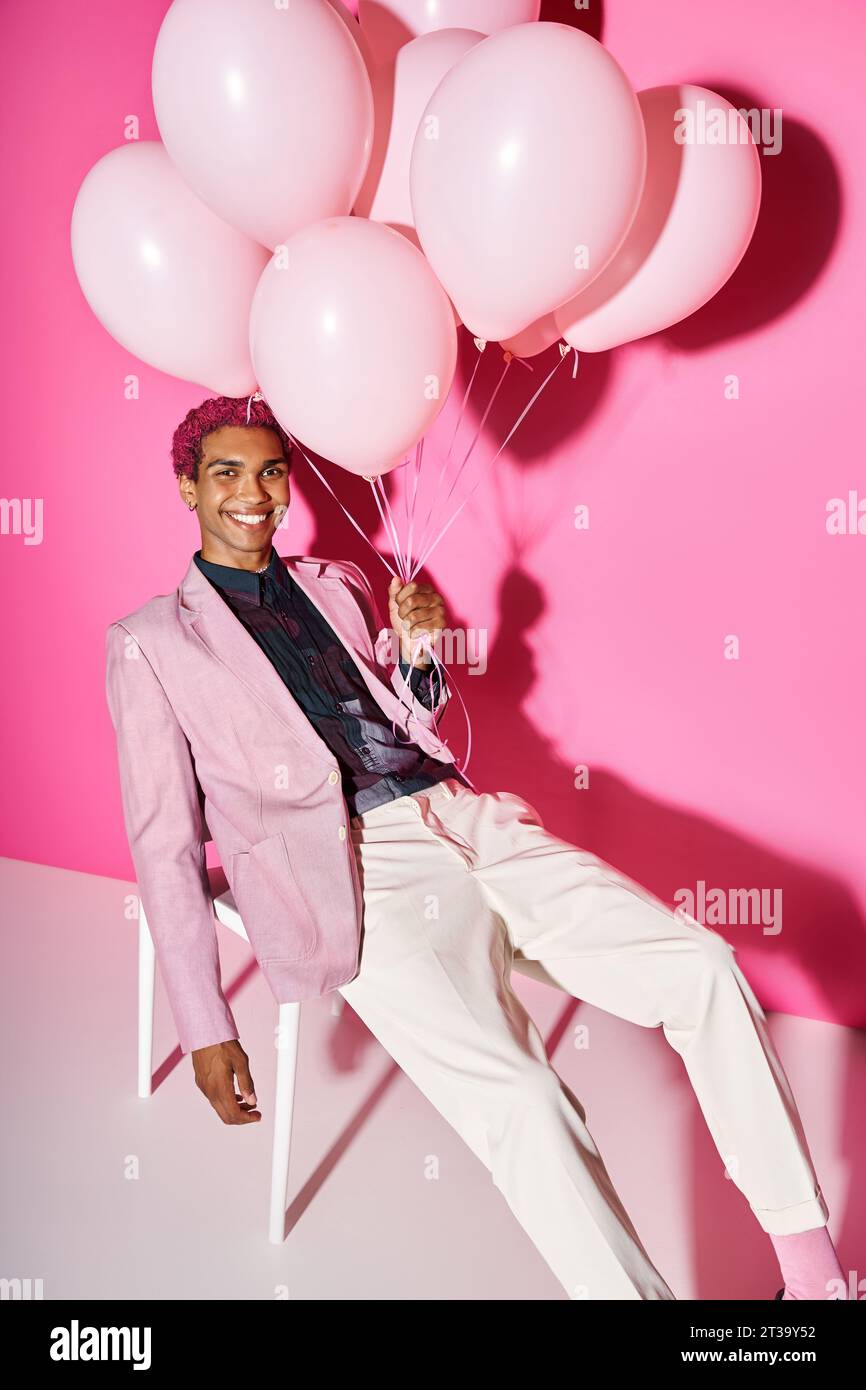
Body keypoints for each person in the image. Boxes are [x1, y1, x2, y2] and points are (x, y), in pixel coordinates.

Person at [104, 392, 846, 1301]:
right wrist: (207, 1023)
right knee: (525, 1102)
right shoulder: (149, 645)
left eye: (269, 471)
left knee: (700, 963)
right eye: (226, 474)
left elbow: (407, 719)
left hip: (463, 817)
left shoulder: (335, 584)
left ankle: (814, 1285)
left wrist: (418, 658)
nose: (254, 493)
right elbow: (164, 842)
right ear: (187, 487)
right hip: (352, 873)